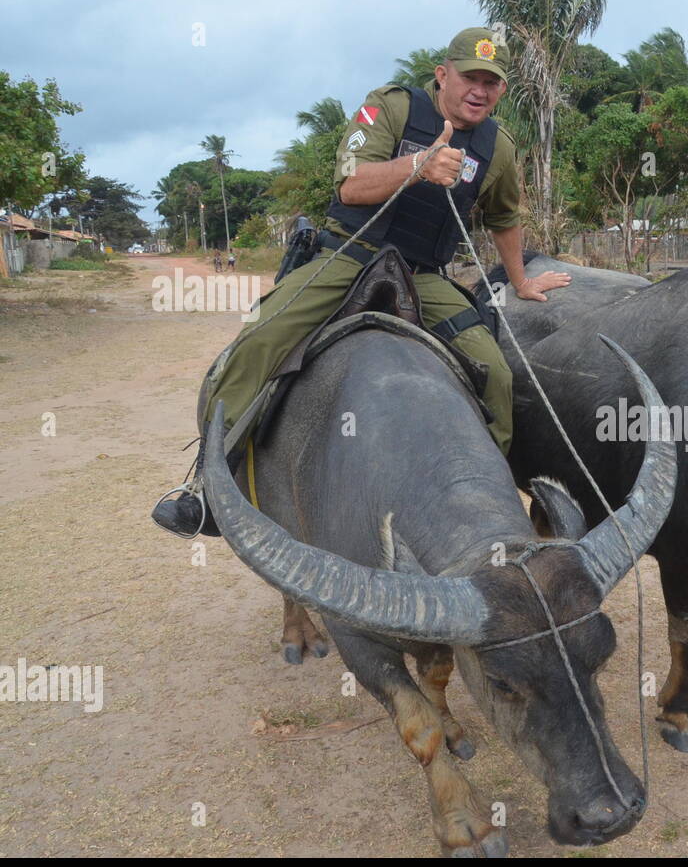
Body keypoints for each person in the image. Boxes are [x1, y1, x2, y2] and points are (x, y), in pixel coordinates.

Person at [152, 26, 571, 538]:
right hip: (351, 256)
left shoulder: (497, 146)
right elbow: (351, 187)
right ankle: (209, 489)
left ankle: (485, 503)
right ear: (443, 76)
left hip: (423, 277)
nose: (479, 91)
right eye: (469, 78)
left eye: (492, 82)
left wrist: (522, 280)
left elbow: (504, 217)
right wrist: (418, 165)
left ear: (502, 90)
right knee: (259, 341)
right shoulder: (392, 108)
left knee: (499, 376)